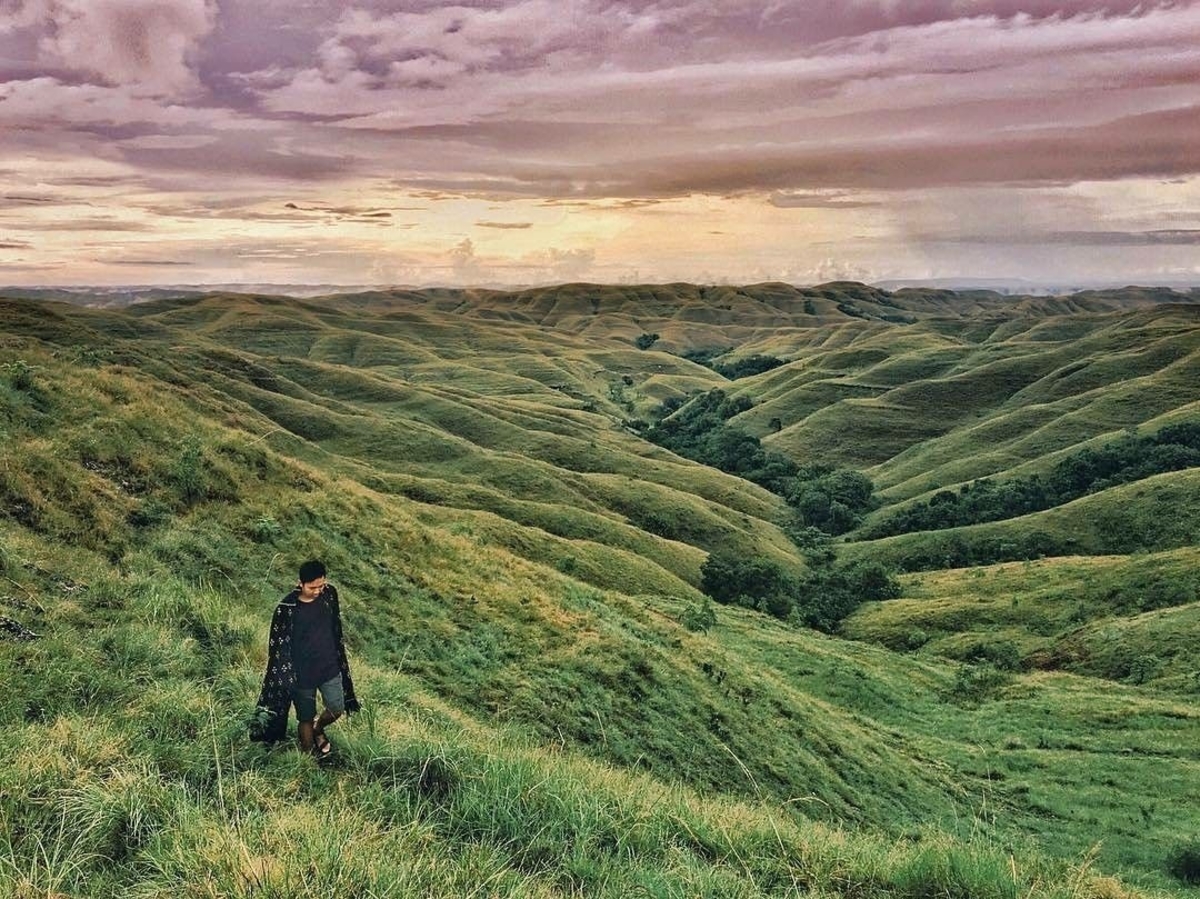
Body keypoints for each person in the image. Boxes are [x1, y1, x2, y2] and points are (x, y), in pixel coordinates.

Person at [252, 560, 360, 757]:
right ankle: (308, 757)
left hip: (329, 667)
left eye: (321, 585)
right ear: (300, 583)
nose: (318, 591)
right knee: (305, 718)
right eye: (313, 587)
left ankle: (320, 728)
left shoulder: (329, 594)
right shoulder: (287, 608)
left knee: (337, 708)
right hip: (302, 675)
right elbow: (277, 646)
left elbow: (335, 627)